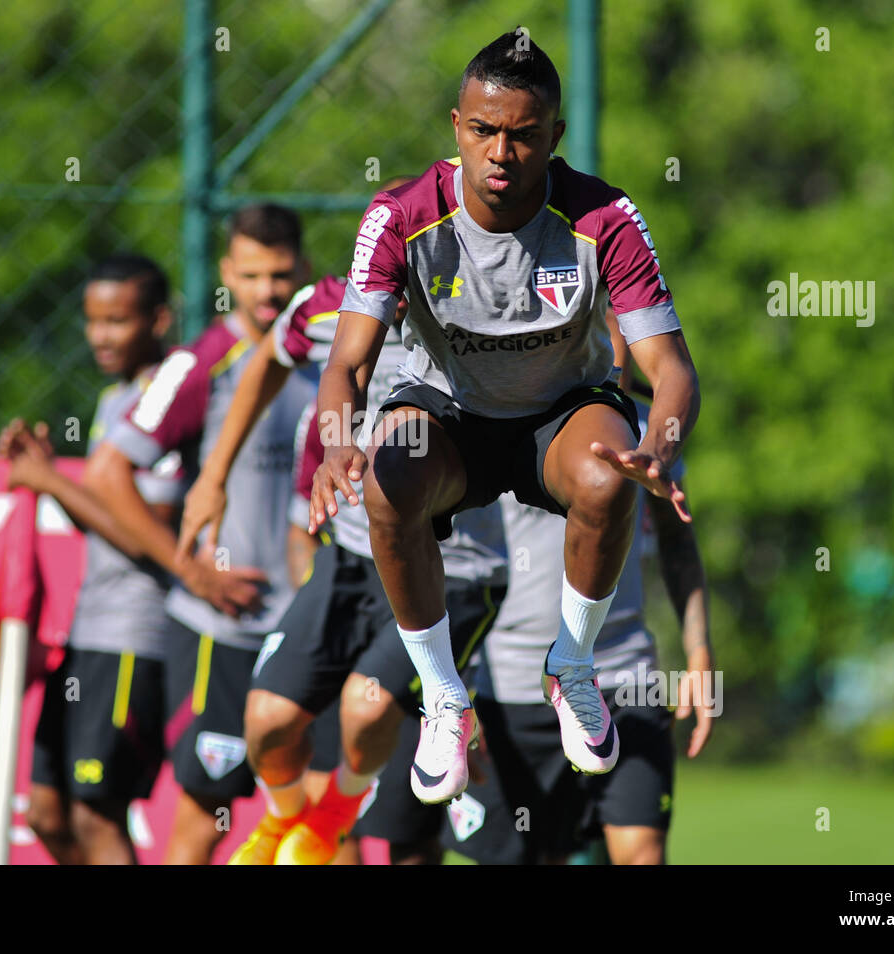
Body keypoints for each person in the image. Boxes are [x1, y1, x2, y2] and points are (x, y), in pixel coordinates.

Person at [312, 32, 700, 805]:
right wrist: (334, 446)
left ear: (553, 138)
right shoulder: (400, 215)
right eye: (484, 131)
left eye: (522, 135)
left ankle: (573, 665)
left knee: (608, 473)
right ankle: (444, 698)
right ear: (456, 125)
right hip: (449, 415)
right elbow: (349, 362)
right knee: (388, 481)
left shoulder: (605, 217)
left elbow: (671, 368)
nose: (501, 152)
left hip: (561, 414)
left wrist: (661, 444)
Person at [176, 247, 507, 865]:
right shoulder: (326, 305)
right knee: (267, 719)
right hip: (351, 556)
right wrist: (213, 475)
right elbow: (268, 362)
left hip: (452, 569)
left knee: (365, 708)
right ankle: (284, 823)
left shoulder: (484, 311)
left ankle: (330, 820)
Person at [86, 204, 313, 864]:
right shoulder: (202, 363)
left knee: (325, 815)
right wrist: (192, 572)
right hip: (225, 631)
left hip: (310, 630)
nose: (268, 290)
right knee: (204, 821)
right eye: (251, 275)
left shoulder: (332, 348)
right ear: (227, 274)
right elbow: (107, 471)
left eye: (279, 274)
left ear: (300, 267)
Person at [444, 341, 714, 865]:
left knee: (641, 855)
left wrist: (699, 655)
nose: (613, 346)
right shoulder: (495, 423)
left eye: (621, 328)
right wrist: (455, 686)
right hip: (513, 686)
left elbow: (680, 547)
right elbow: (457, 566)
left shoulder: (651, 430)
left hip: (623, 679)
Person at [1, 254, 182, 864]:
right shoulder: (113, 400)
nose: (100, 335)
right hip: (88, 632)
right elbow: (109, 525)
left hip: (135, 636)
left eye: (117, 321)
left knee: (98, 816)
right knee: (47, 814)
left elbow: (148, 536)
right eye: (93, 320)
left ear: (157, 320)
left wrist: (51, 483)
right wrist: (48, 474)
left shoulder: (170, 402)